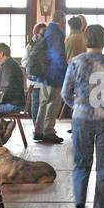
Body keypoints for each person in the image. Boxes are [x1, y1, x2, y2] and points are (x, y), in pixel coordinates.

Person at [61, 24, 104, 208]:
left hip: (82, 118)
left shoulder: (75, 62)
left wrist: (77, 105)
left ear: (85, 41)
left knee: (81, 166)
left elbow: (65, 93)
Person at [30, 10, 68, 144]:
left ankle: (38, 130)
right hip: (54, 73)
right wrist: (64, 70)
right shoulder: (56, 33)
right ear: (62, 20)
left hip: (44, 74)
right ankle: (49, 131)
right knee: (53, 103)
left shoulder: (46, 31)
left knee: (43, 103)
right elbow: (57, 55)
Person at [0, 42, 27, 115]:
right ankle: (3, 125)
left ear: (1, 54)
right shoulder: (7, 65)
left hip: (13, 105)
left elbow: (5, 89)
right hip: (12, 103)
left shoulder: (9, 67)